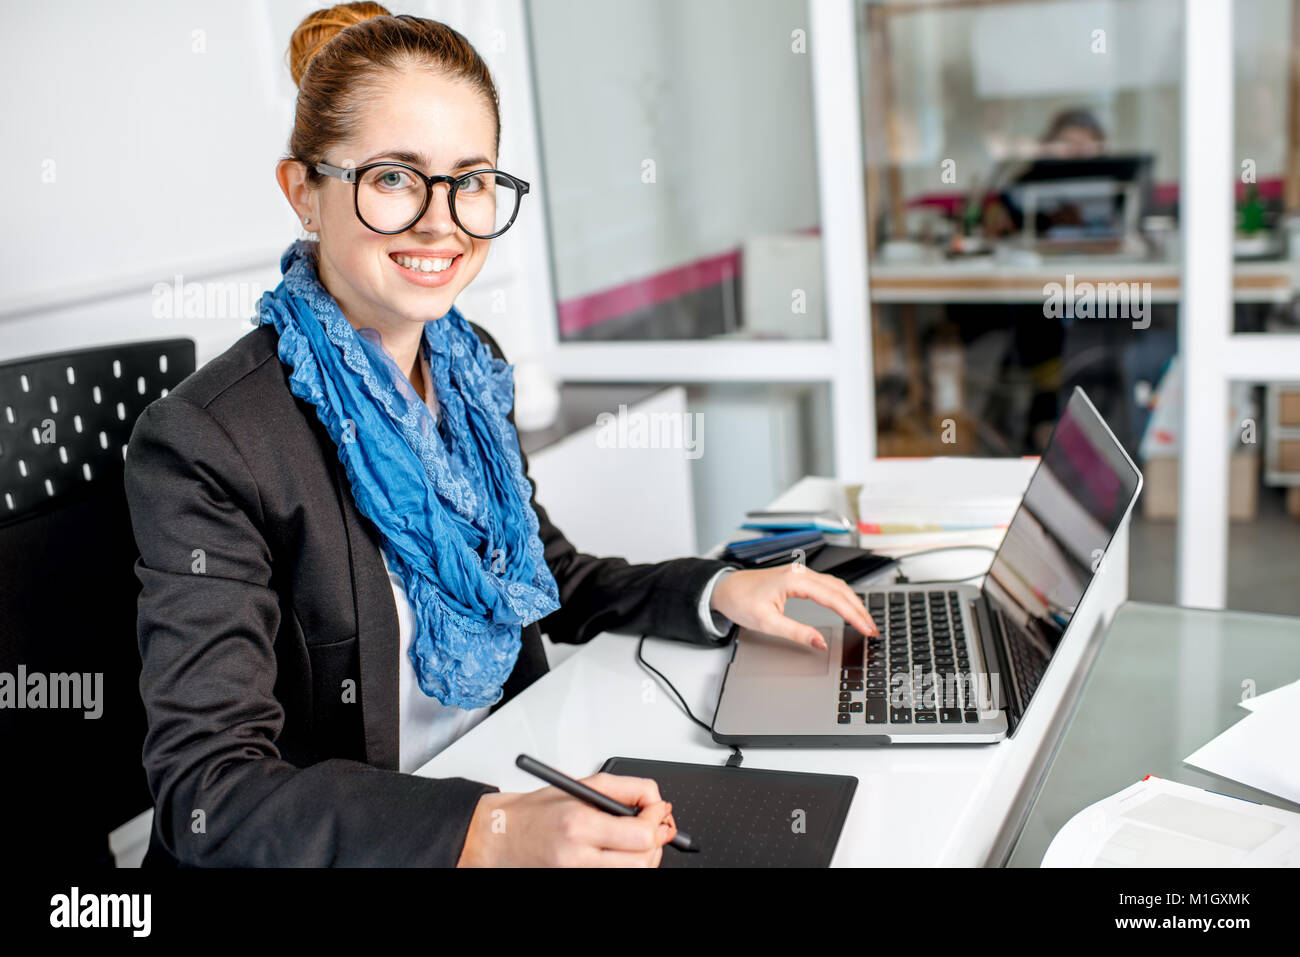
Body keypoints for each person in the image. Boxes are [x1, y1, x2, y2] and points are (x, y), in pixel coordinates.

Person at [123, 2, 876, 868]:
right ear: (304, 193)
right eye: (395, 178)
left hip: (499, 786)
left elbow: (543, 575)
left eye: (470, 178)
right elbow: (209, 790)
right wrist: (489, 830)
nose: (443, 222)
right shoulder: (209, 441)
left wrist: (717, 592)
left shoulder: (468, 366)